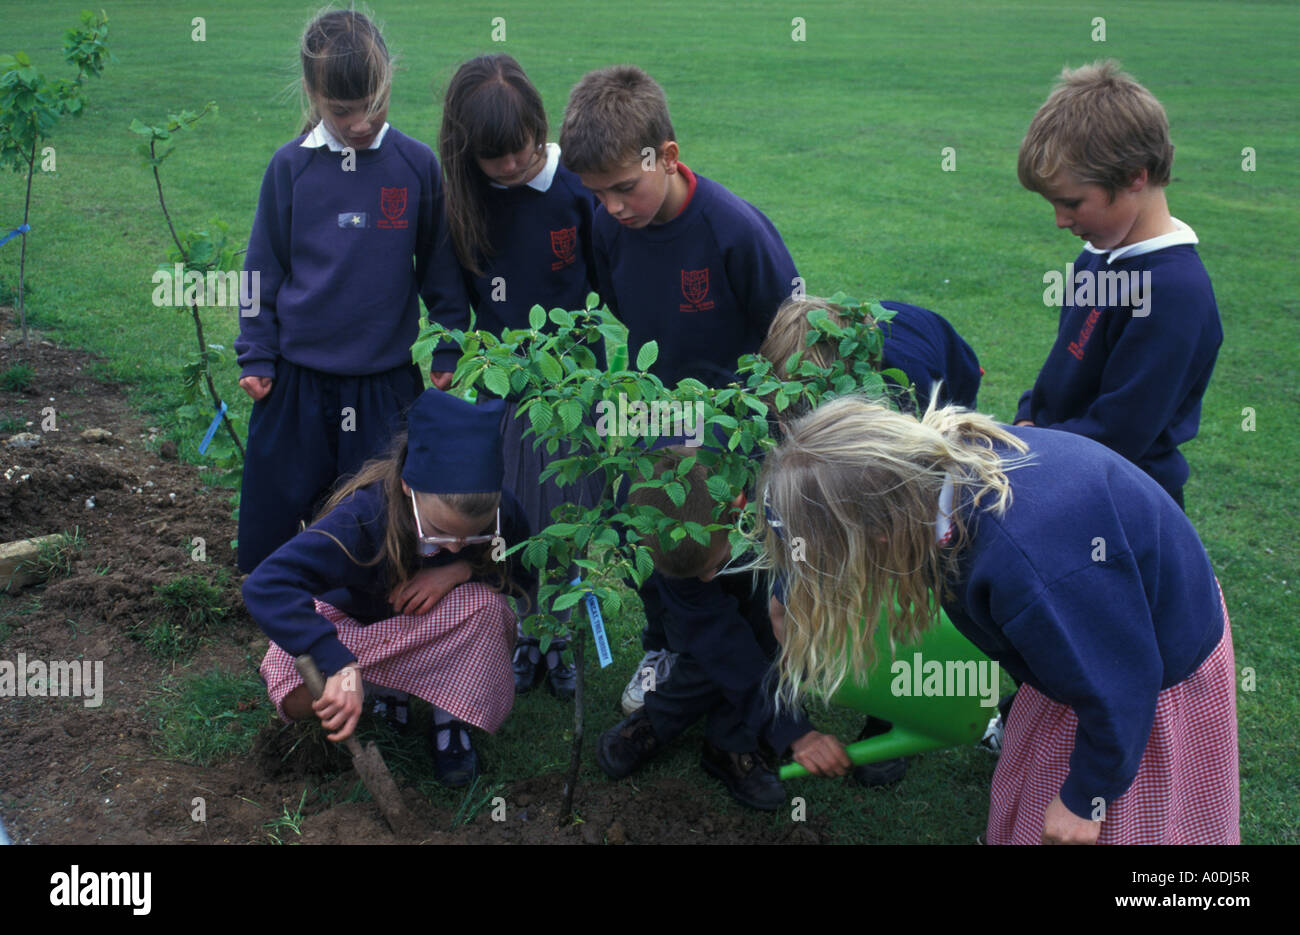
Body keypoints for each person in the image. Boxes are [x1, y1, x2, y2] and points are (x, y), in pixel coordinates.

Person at [757, 395, 1238, 844]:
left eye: (835, 557)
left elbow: (1121, 684)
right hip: (1095, 642)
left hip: (1143, 676)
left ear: (878, 532)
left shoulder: (1028, 566)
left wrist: (1086, 798)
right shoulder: (938, 475)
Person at [558, 64, 800, 708]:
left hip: (733, 428)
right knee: (652, 536)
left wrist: (768, 437)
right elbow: (620, 310)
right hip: (655, 420)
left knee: (735, 557)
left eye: (623, 188)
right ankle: (663, 649)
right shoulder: (609, 226)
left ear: (667, 157)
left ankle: (760, 678)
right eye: (596, 193)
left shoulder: (736, 231)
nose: (610, 207)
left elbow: (791, 340)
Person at [235, 9, 469, 573]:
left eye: (374, 104)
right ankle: (274, 603)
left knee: (373, 515)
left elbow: (441, 266)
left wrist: (448, 343)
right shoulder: (290, 169)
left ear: (388, 85)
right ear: (313, 95)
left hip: (382, 386)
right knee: (275, 503)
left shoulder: (415, 166)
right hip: (295, 382)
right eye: (343, 111)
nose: (361, 122)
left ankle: (356, 608)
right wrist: (255, 350)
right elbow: (258, 271)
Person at [243, 389, 534, 787]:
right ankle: (387, 692)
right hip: (359, 626)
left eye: (471, 538)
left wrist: (463, 569)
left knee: (490, 610)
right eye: (440, 534)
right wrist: (339, 663)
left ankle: (447, 719)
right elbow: (266, 585)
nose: (451, 547)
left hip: (438, 631)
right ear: (406, 488)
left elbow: (524, 578)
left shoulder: (502, 512)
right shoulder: (363, 517)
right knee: (294, 694)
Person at [758, 293, 985, 785]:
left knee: (903, 572)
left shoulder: (907, 390)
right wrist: (789, 580)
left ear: (857, 385)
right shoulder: (774, 391)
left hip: (919, 464)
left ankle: (896, 707)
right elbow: (793, 482)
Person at [438, 53, 602, 700]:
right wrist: (450, 356)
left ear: (540, 125)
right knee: (508, 515)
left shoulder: (575, 189)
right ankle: (515, 630)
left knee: (565, 509)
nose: (510, 166)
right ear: (466, 151)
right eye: (493, 157)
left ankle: (556, 635)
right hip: (498, 389)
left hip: (570, 389)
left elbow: (612, 276)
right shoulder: (463, 196)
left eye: (521, 149)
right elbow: (451, 293)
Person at [1013, 60, 1221, 511]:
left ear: (1134, 176)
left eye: (1071, 203)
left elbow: (1121, 433)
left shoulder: (1173, 292)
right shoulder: (1097, 257)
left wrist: (1020, 447)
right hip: (1063, 475)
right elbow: (1060, 376)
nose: (1060, 220)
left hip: (1124, 505)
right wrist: (1027, 417)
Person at [597, 446, 847, 811]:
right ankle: (663, 717)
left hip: (774, 568)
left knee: (764, 630)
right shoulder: (658, 519)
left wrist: (793, 731)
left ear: (737, 507)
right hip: (719, 554)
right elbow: (716, 638)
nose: (708, 577)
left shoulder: (785, 499)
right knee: (711, 642)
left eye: (713, 564)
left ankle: (729, 741)